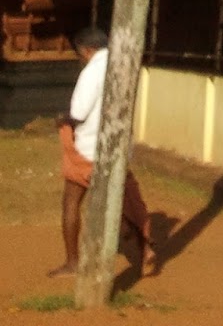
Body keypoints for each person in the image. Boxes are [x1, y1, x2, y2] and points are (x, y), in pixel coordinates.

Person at [50, 27, 153, 279]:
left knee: (71, 201)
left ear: (86, 50)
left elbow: (79, 112)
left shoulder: (92, 70)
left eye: (80, 55)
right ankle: (142, 241)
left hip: (89, 147)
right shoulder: (125, 64)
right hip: (119, 146)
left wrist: (63, 120)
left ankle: (73, 262)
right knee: (123, 196)